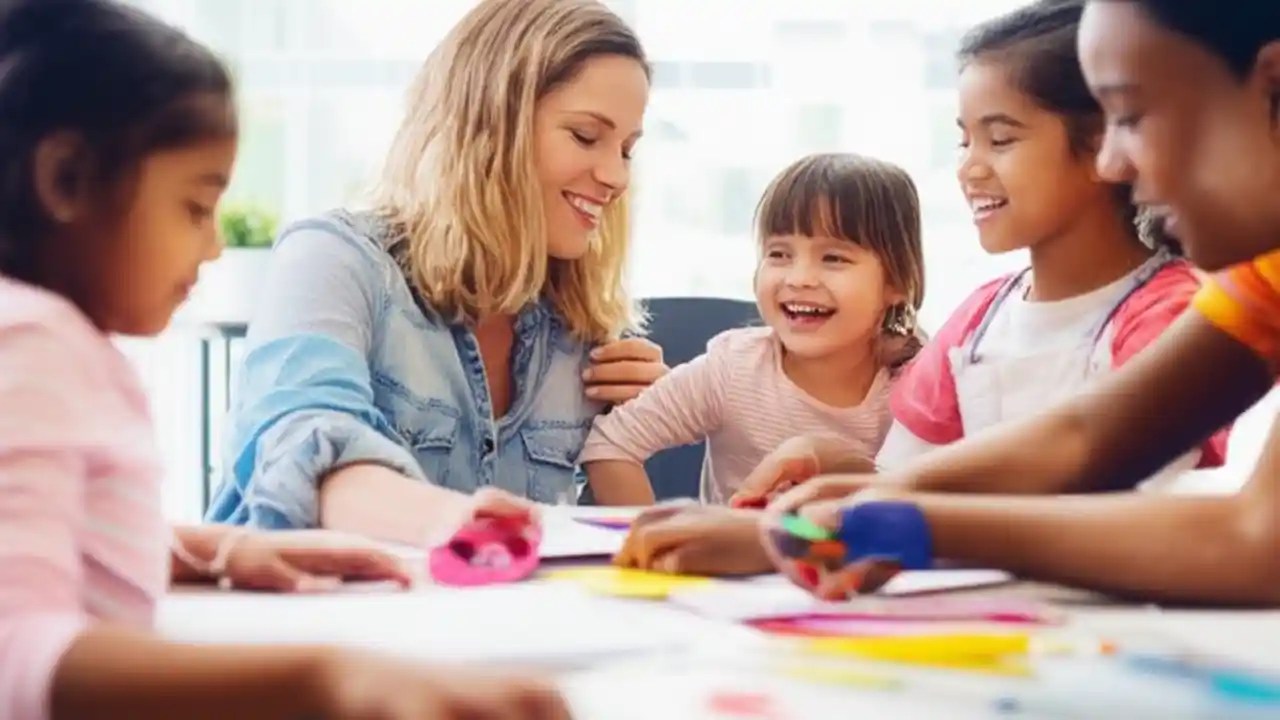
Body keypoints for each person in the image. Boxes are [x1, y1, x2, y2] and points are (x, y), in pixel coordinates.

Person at [0, 2, 571, 718]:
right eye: (195, 206)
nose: (213, 246)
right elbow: (16, 650)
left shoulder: (54, 343)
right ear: (66, 180)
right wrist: (329, 679)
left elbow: (54, 537)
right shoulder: (32, 347)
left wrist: (220, 551)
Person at [763, 0, 1280, 606]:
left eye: (1133, 116)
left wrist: (908, 525)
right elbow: (1085, 436)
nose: (1110, 162)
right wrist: (843, 515)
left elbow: (1259, 545)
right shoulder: (1263, 278)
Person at [207, 0, 668, 545]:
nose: (615, 176)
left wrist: (638, 429)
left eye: (627, 150)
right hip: (321, 621)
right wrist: (457, 525)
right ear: (491, 125)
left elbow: (631, 552)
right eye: (586, 137)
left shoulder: (576, 326)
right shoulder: (333, 260)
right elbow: (302, 442)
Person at [603, 153, 925, 571]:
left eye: (834, 258)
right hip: (731, 585)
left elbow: (924, 503)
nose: (799, 278)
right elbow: (611, 443)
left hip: (857, 588)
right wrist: (650, 544)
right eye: (779, 254)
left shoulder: (920, 378)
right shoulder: (732, 368)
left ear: (897, 282)